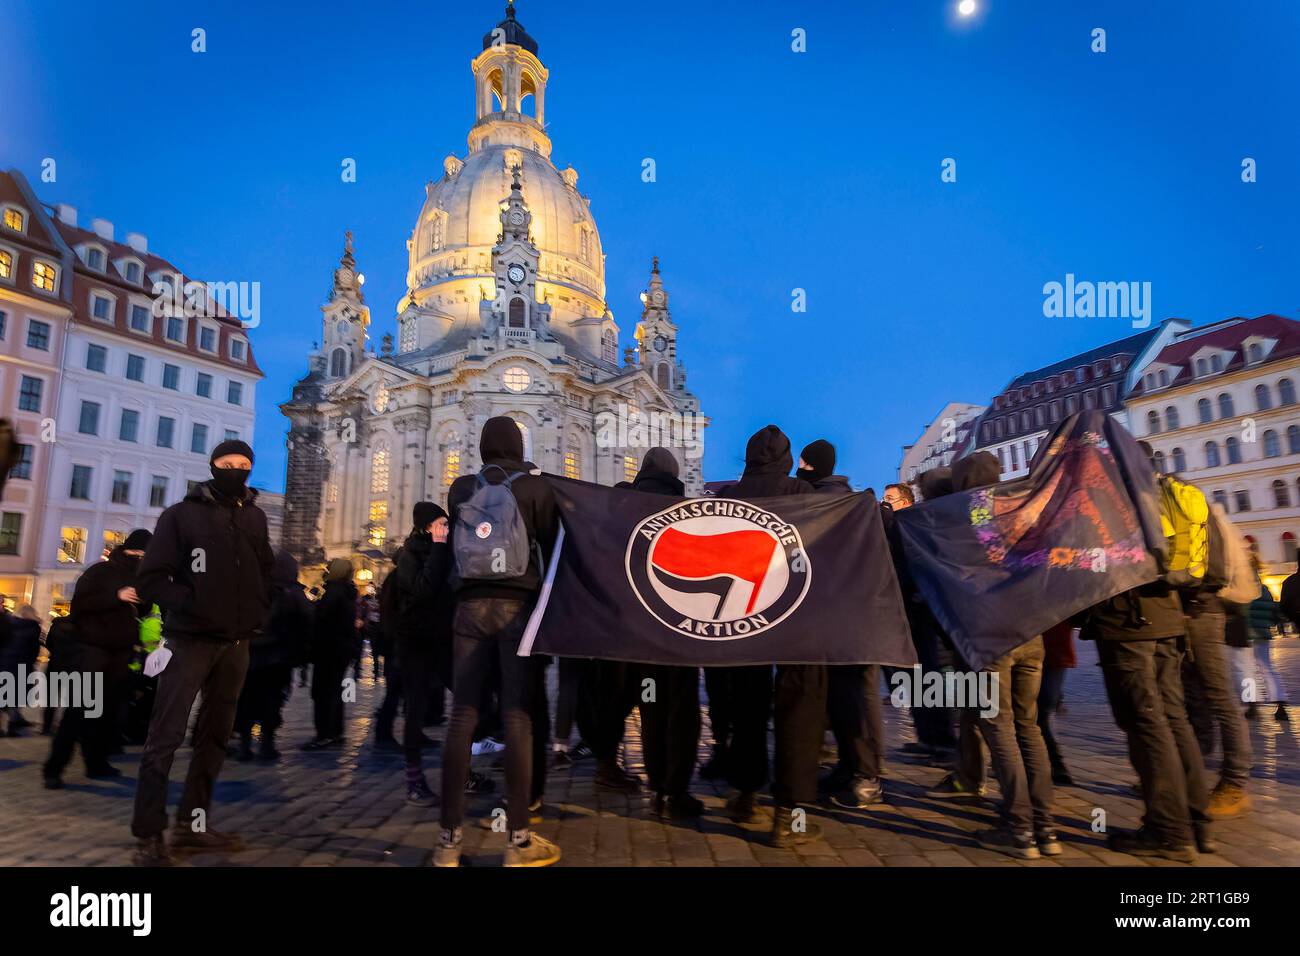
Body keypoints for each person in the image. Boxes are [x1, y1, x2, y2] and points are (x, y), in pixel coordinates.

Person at [131, 441, 274, 866]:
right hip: (189, 640)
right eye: (228, 464)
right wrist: (190, 603)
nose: (236, 470)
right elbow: (152, 578)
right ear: (213, 467)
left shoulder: (255, 516)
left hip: (235, 643)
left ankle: (192, 826)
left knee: (214, 738)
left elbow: (265, 569)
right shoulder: (179, 515)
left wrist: (262, 606)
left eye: (244, 465)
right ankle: (149, 835)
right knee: (166, 738)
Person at [436, 416, 561, 868]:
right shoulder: (536, 488)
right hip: (518, 609)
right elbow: (551, 547)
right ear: (518, 444)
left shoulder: (460, 487)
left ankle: (448, 842)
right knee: (518, 718)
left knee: (462, 717)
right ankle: (520, 839)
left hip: (468, 607)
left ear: (484, 446)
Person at [1081, 447, 1212, 863]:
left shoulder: (1116, 501)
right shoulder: (1164, 491)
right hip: (1168, 619)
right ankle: (1197, 823)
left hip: (1128, 625)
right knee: (1175, 720)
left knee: (1146, 725)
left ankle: (1169, 832)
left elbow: (1095, 564)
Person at [716, 425, 823, 847]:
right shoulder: (804, 495)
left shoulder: (727, 499)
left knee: (745, 706)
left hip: (744, 618)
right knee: (801, 709)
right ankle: (789, 813)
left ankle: (745, 794)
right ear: (785, 457)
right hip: (798, 619)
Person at [799, 440, 884, 810]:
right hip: (860, 618)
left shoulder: (813, 506)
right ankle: (851, 769)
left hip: (832, 620)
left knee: (852, 701)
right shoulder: (857, 503)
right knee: (848, 698)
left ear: (811, 467)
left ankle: (866, 777)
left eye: (802, 463)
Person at [627, 448, 704, 818]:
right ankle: (677, 789)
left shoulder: (623, 506)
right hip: (680, 631)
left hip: (641, 635)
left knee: (651, 705)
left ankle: (656, 781)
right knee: (682, 709)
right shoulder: (683, 508)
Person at [43, 530, 150, 785]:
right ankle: (53, 769)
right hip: (92, 653)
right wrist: (116, 596)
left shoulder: (141, 576)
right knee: (78, 712)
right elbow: (80, 605)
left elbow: (143, 610)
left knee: (105, 715)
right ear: (132, 551)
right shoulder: (100, 572)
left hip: (120, 655)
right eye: (142, 554)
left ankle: (96, 762)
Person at [392, 502, 457, 806]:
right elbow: (425, 588)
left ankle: (464, 772)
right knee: (415, 708)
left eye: (446, 524)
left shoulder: (445, 549)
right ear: (425, 526)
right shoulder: (409, 555)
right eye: (438, 524)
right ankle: (414, 779)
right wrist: (440, 548)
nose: (444, 529)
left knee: (470, 698)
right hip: (415, 641)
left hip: (443, 638)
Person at [235, 550, 310, 761]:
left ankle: (244, 745)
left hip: (250, 655)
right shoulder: (293, 592)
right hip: (278, 657)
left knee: (247, 699)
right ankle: (267, 744)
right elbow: (307, 620)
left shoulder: (254, 587)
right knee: (273, 700)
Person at [303, 558, 358, 750]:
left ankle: (324, 734)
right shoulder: (348, 592)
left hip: (328, 649)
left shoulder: (333, 592)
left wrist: (313, 609)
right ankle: (335, 732)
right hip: (342, 649)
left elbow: (321, 619)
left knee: (322, 692)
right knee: (336, 691)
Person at [1238, 559, 1290, 722]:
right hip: (1263, 634)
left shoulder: (1242, 589)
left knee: (1246, 670)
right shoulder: (1265, 589)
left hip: (1246, 634)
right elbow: (1273, 611)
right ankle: (1280, 703)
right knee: (1268, 668)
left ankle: (1251, 705)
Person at [1037, 621, 1076, 786]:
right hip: (1045, 651)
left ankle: (1057, 764)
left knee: (1044, 713)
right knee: (1041, 714)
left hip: (1053, 653)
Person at [1, 601, 41, 736]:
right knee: (15, 697)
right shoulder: (33, 627)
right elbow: (34, 651)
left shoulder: (7, 624)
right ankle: (11, 727)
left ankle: (9, 724)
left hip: (4, 664)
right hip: (21, 666)